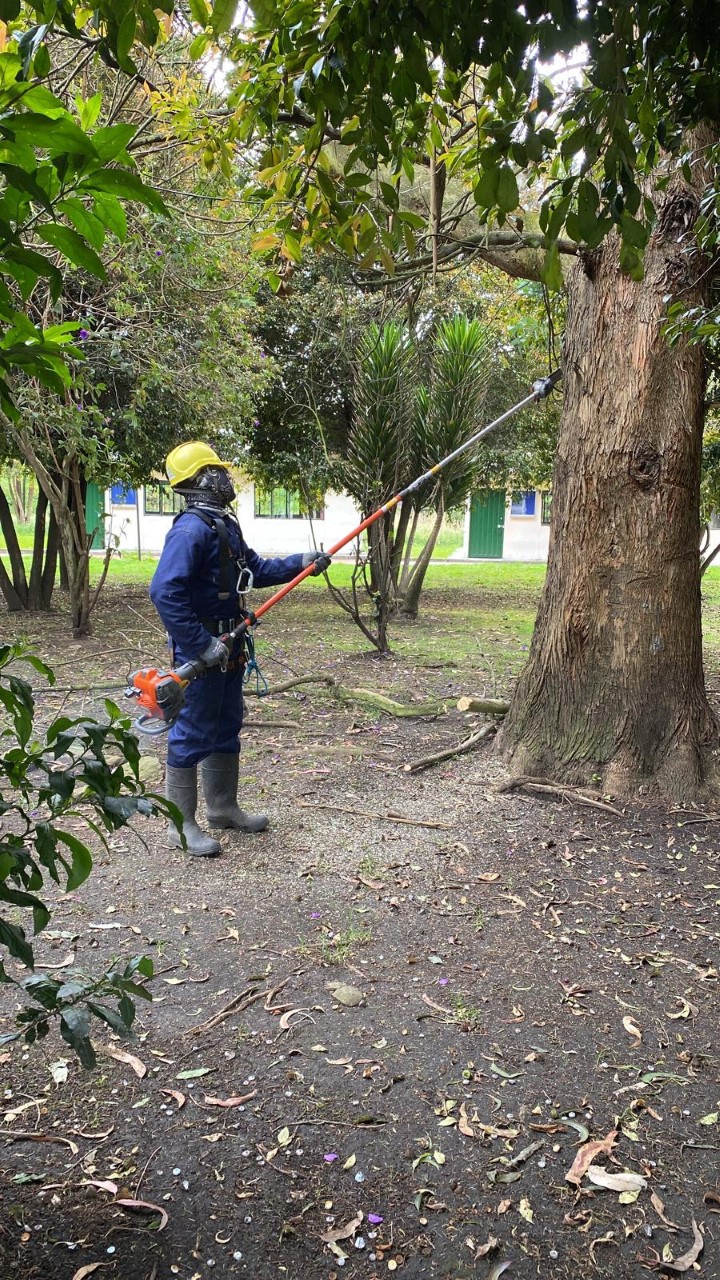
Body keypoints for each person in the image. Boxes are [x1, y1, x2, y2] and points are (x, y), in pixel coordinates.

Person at [149, 441, 330, 857]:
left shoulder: (223, 525)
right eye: (218, 471)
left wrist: (301, 562)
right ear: (201, 479)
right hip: (202, 651)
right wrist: (200, 644)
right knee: (191, 730)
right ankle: (181, 827)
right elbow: (163, 591)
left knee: (226, 724)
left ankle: (222, 808)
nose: (226, 478)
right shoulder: (190, 530)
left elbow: (254, 570)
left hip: (230, 645)